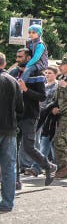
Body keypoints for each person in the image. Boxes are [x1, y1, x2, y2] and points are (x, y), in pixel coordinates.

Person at [9, 48, 55, 185]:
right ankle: (16, 180)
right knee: (13, 148)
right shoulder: (14, 73)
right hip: (15, 116)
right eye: (16, 56)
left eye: (20, 57)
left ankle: (48, 166)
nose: (17, 59)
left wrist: (26, 90)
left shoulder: (37, 74)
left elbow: (42, 96)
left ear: (29, 58)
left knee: (28, 147)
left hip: (30, 115)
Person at [1, 53, 24, 212]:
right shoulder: (13, 81)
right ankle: (8, 203)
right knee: (9, 167)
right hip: (9, 129)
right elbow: (20, 109)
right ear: (4, 63)